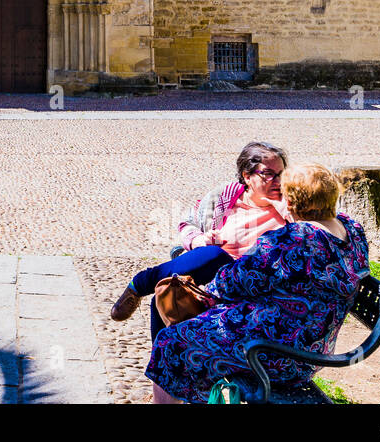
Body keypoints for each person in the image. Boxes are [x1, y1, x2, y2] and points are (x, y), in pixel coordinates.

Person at [145, 162, 369, 403]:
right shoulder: (352, 230)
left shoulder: (293, 239)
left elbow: (231, 282)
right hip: (314, 348)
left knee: (169, 342)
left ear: (290, 202)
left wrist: (208, 290)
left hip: (273, 352)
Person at [110, 142, 289, 341]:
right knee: (166, 292)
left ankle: (142, 282)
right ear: (247, 176)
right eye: (268, 174)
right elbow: (187, 223)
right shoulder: (225, 196)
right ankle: (161, 367)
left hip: (250, 283)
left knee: (216, 256)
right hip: (208, 279)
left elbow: (309, 235)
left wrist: (286, 208)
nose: (278, 180)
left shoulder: (291, 205)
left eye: (281, 173)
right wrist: (199, 240)